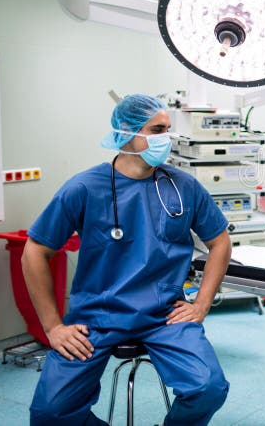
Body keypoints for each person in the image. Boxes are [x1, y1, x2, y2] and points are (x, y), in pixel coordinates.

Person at [22, 94, 232, 426]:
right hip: (97, 316)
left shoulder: (183, 187)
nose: (166, 138)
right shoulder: (85, 187)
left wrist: (201, 304)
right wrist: (53, 326)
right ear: (126, 132)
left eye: (168, 129)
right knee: (50, 413)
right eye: (157, 130)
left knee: (209, 388)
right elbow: (35, 250)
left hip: (164, 316)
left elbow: (219, 242)